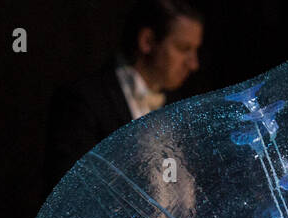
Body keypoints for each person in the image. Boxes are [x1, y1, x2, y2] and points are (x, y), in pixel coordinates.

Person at [42, 0, 204, 191]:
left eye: (195, 50)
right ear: (147, 41)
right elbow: (72, 190)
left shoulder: (180, 108)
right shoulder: (84, 99)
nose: (193, 64)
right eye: (183, 48)